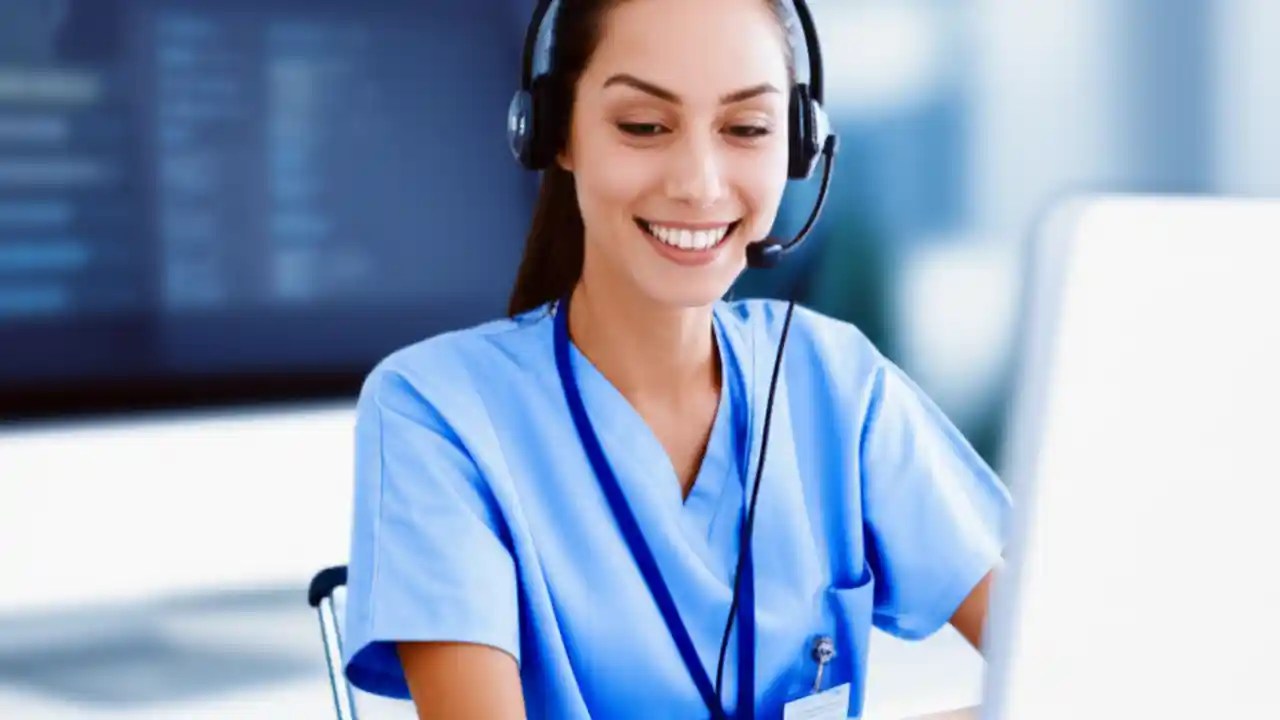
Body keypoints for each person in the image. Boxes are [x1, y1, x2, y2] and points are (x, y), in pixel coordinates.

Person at [341, 0, 1011, 718]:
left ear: (798, 146)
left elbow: (1070, 665)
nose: (698, 182)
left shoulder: (836, 384)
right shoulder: (436, 411)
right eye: (644, 127)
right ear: (553, 132)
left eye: (747, 129)